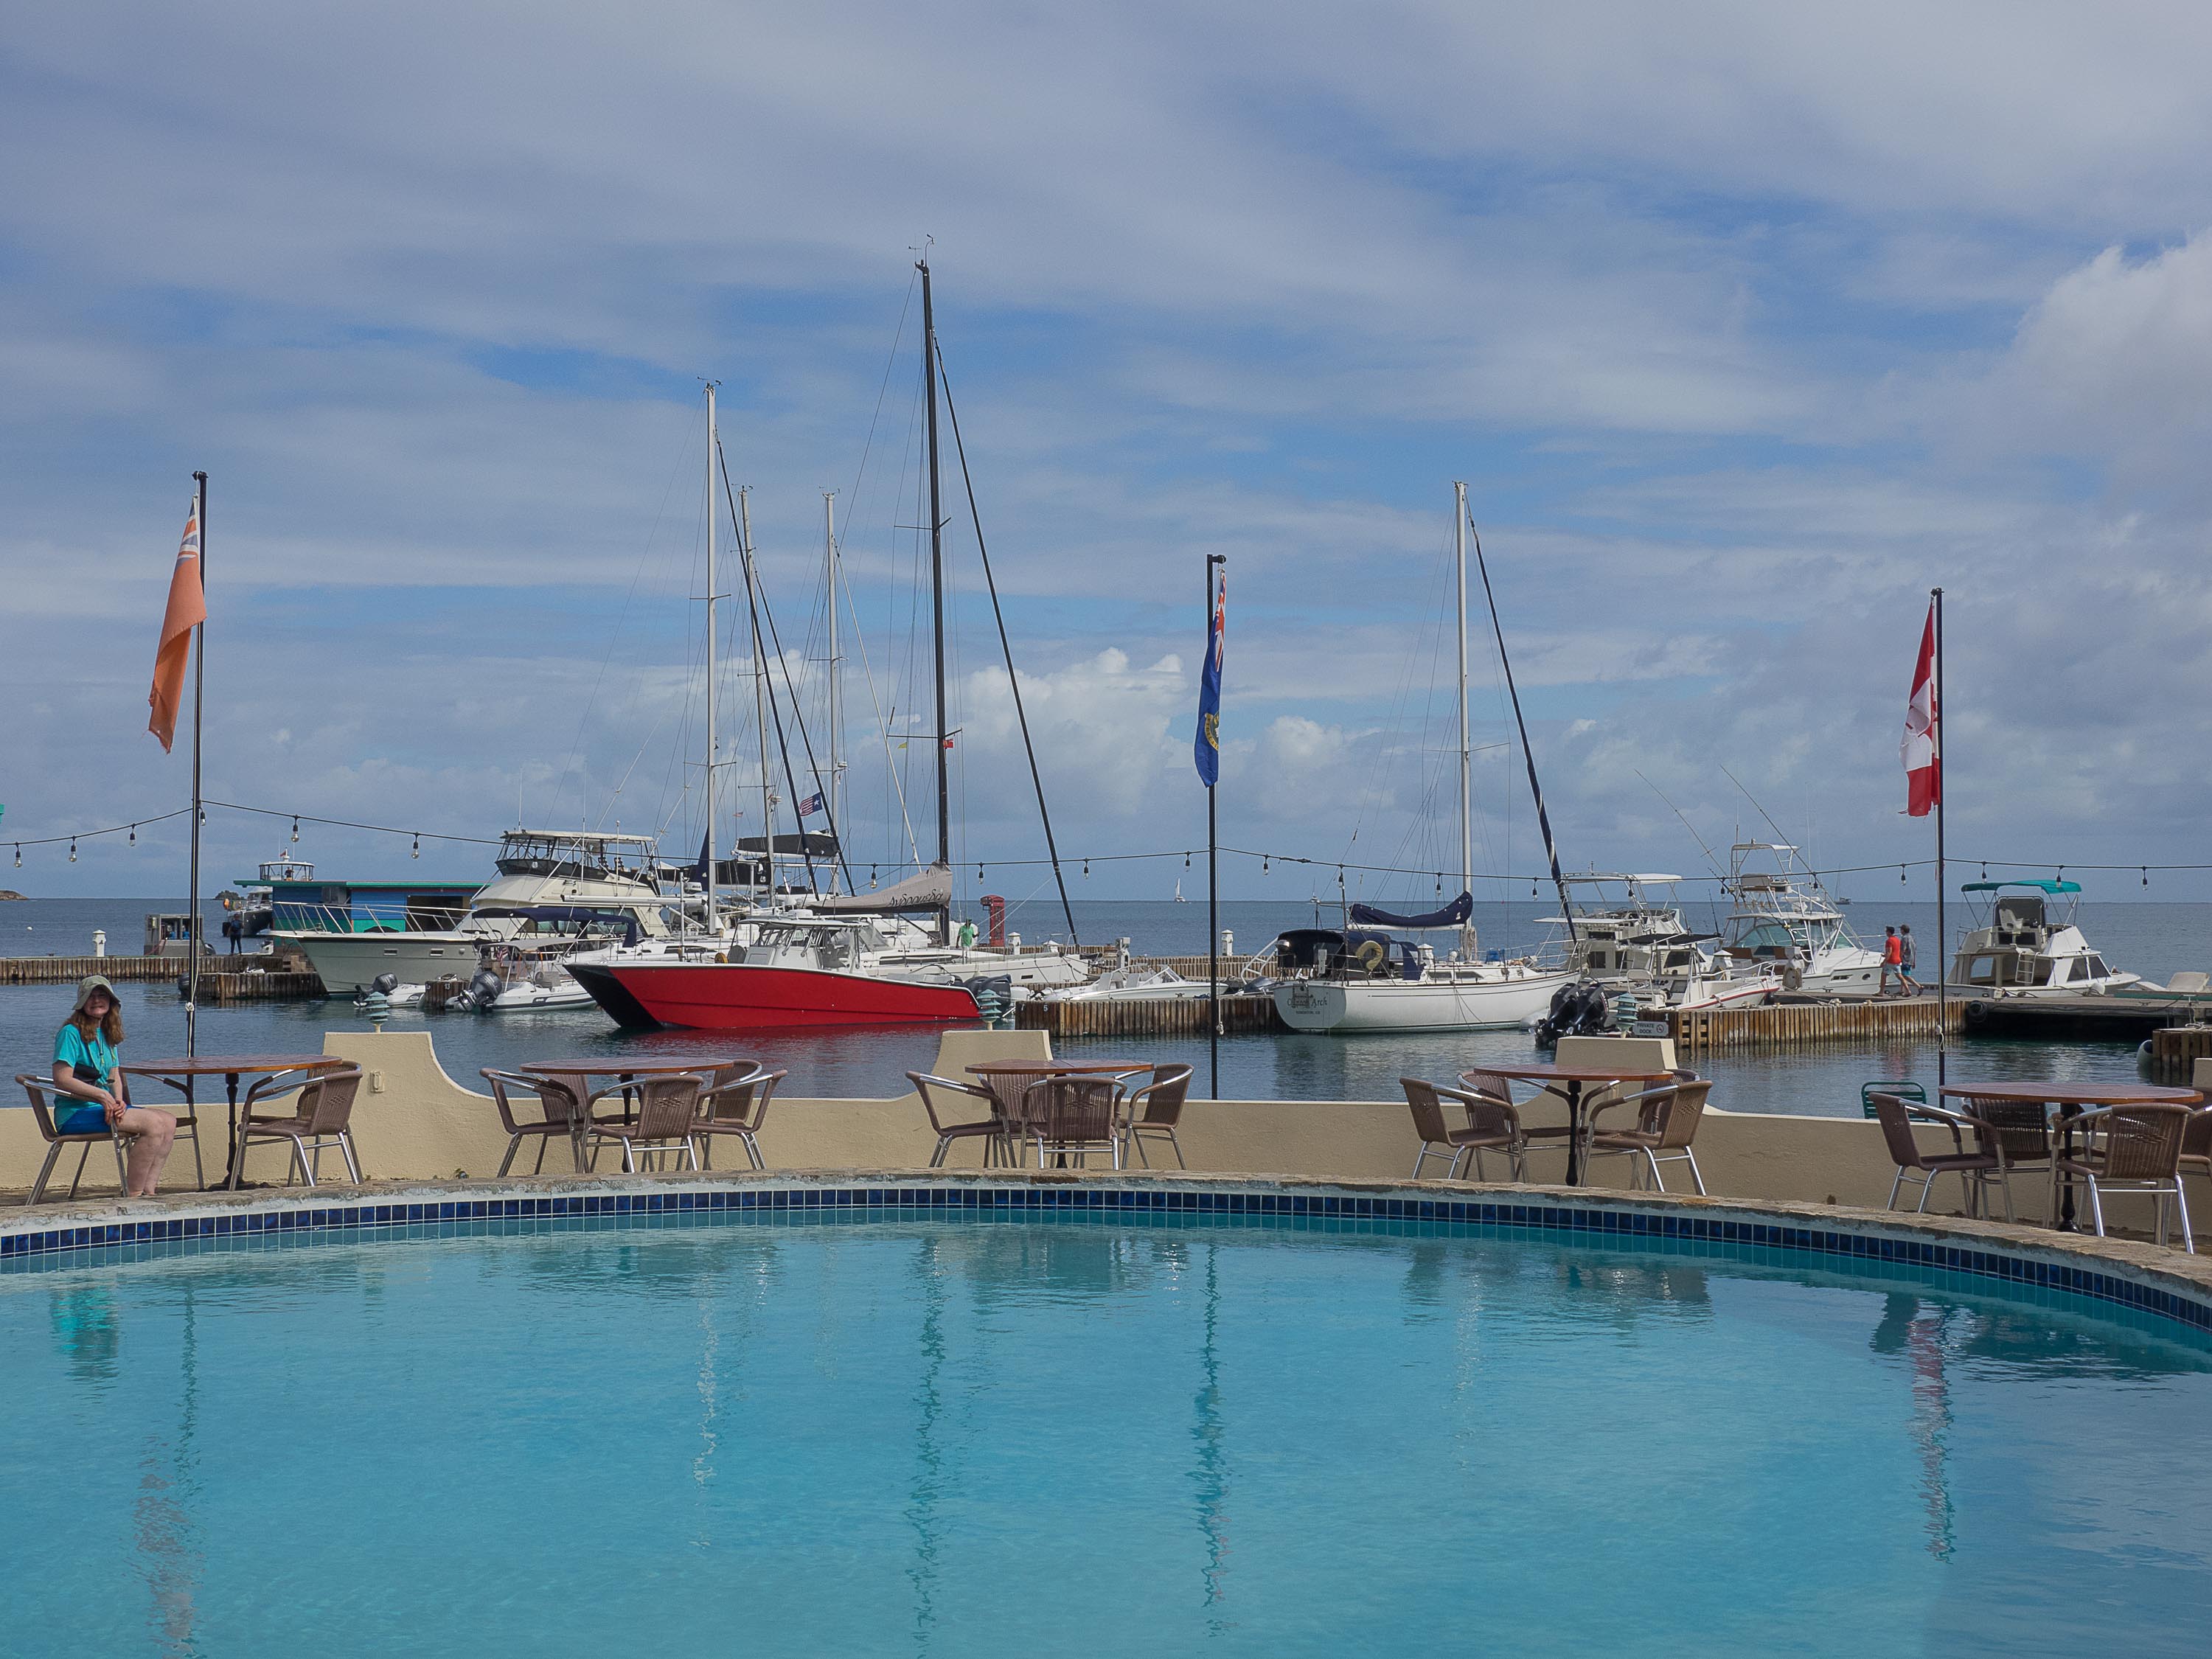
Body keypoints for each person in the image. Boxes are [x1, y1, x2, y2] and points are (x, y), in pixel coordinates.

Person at [50, 976, 178, 1199]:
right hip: (75, 1113)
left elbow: (113, 1074)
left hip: (103, 1108)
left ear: (111, 1002)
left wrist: (118, 1100)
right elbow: (62, 1079)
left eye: (102, 996)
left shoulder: (107, 1032)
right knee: (153, 1124)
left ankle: (149, 1191)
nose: (97, 1001)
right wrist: (102, 1096)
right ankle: (133, 1194)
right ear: (82, 1002)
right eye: (91, 996)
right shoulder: (70, 1033)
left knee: (169, 1121)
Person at [1880, 926, 1902, 995]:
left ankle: (1881, 992)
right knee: (1900, 976)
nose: (1886, 933)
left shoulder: (1889, 941)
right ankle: (1907, 990)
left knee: (1883, 975)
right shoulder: (1897, 940)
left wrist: (1884, 962)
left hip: (1890, 961)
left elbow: (1889, 952)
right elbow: (1896, 951)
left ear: (1889, 932)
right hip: (1897, 960)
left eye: (1886, 931)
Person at [1897, 924, 1919, 992]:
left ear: (1903, 930)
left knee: (1905, 975)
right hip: (1911, 959)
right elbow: (1914, 950)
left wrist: (1900, 958)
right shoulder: (1912, 938)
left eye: (1901, 929)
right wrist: (1914, 961)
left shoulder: (1904, 938)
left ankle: (1919, 986)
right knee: (1903, 975)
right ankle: (1902, 990)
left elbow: (1903, 949)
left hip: (1905, 959)